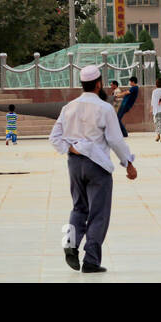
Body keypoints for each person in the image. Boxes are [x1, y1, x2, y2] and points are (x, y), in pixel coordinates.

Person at [49, 65, 137, 273]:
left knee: (78, 208)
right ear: (98, 84)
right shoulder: (105, 108)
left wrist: (71, 148)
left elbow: (54, 137)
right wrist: (129, 163)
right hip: (97, 166)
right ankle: (91, 260)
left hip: (74, 164)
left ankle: (71, 243)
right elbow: (115, 139)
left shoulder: (69, 107)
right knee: (98, 213)